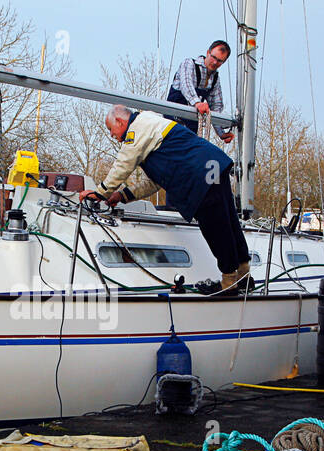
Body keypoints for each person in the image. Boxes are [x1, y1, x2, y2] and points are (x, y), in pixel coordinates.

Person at [86, 104, 251, 294]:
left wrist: (100, 193)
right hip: (212, 165)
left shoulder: (135, 130)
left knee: (215, 226)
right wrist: (123, 196)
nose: (111, 135)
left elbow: (123, 165)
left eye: (110, 129)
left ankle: (229, 282)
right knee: (228, 221)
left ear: (121, 121)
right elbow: (155, 182)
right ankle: (244, 276)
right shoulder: (149, 129)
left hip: (200, 173)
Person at [166, 40, 234, 143]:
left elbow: (216, 106)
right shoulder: (189, 64)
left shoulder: (215, 79)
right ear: (208, 52)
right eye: (214, 57)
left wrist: (221, 133)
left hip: (191, 126)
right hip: (172, 119)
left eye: (220, 61)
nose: (215, 62)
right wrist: (197, 103)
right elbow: (186, 85)